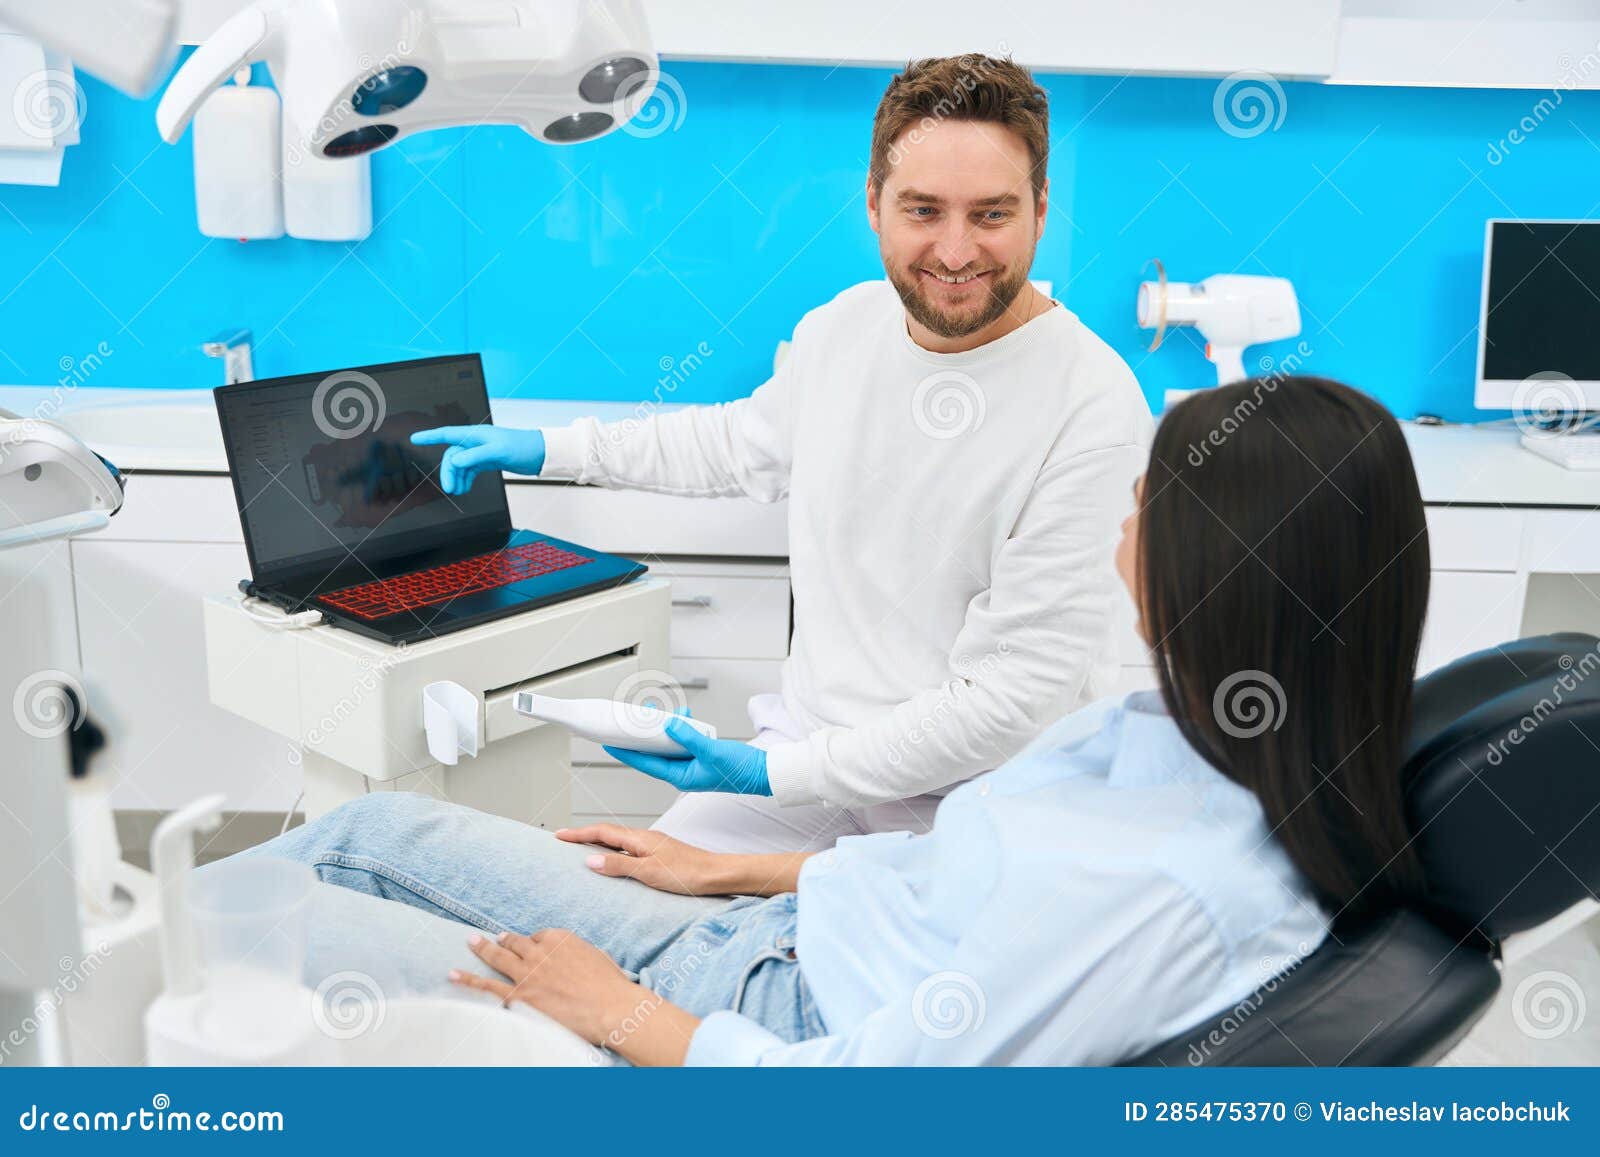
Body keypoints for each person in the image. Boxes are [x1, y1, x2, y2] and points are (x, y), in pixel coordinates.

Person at [232, 375, 1433, 1065]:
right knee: (368, 827)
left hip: (755, 1023)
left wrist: (617, 1008)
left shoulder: (1176, 885)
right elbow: (728, 439)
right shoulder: (1187, 730)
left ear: (1212, 562)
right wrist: (746, 867)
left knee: (250, 940)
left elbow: (873, 1103)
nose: (1123, 529)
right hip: (783, 926)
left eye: (1143, 506)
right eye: (920, 210)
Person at [409, 54, 1154, 854]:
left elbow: (1007, 703)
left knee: (808, 970)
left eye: (991, 214)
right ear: (873, 204)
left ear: (1042, 209)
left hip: (974, 807)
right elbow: (737, 443)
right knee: (627, 903)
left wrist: (775, 775)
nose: (955, 248)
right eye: (923, 209)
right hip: (809, 758)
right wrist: (550, 448)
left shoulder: (1092, 408)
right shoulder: (845, 326)